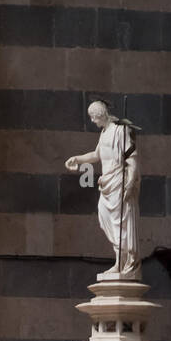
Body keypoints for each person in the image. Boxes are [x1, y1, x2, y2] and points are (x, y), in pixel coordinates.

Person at [65, 100, 141, 277]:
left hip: (119, 182)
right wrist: (77, 159)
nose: (92, 121)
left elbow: (132, 158)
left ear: (100, 115)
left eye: (93, 117)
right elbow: (96, 155)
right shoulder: (105, 132)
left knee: (120, 223)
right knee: (104, 217)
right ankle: (119, 260)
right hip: (108, 183)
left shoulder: (120, 130)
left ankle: (122, 262)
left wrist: (130, 181)